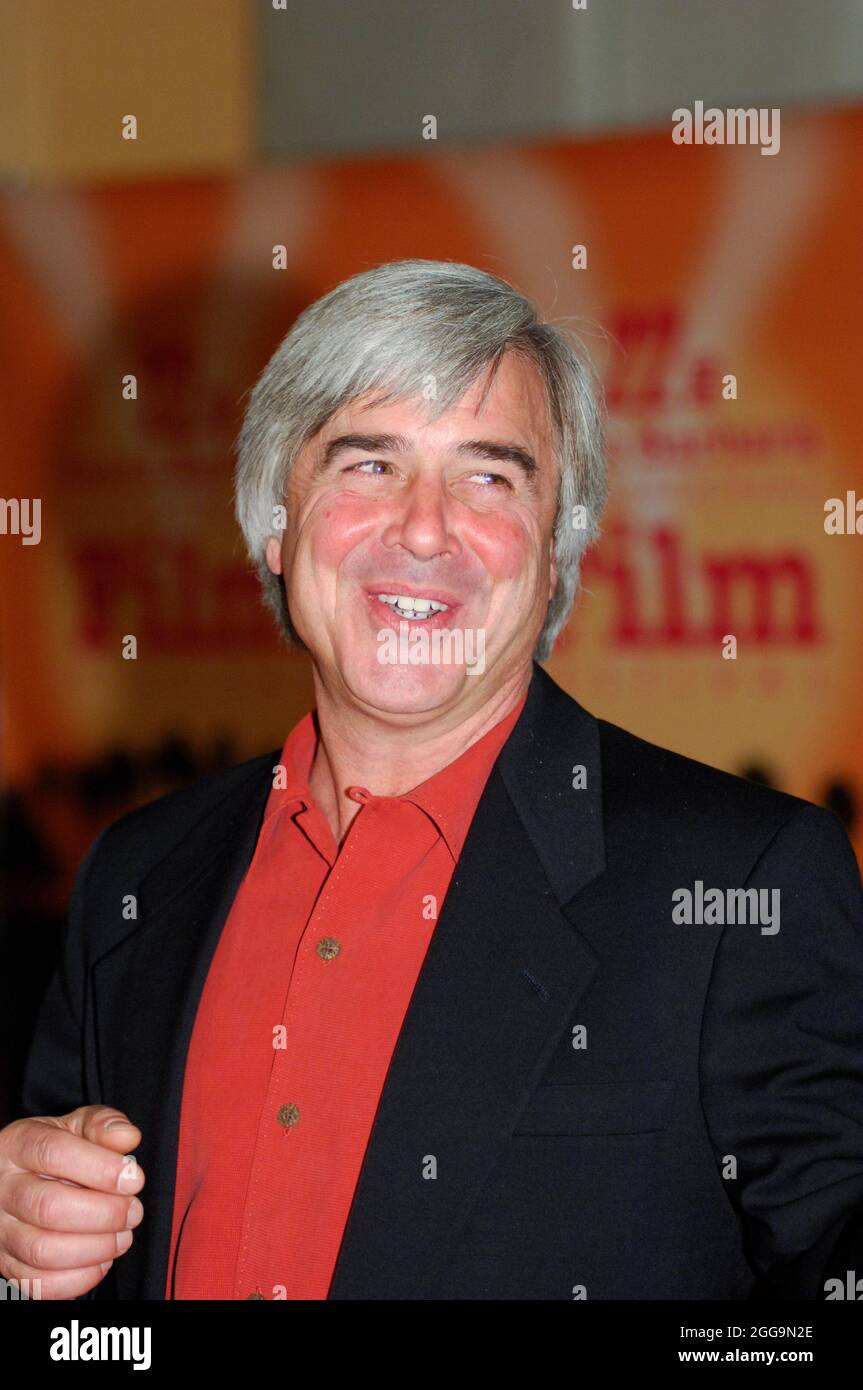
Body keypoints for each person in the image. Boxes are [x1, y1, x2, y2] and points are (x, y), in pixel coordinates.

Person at [2, 260, 862, 1301]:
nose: (421, 527)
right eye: (369, 463)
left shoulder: (740, 883)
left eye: (488, 477)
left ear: (558, 548)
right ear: (275, 523)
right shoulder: (136, 877)